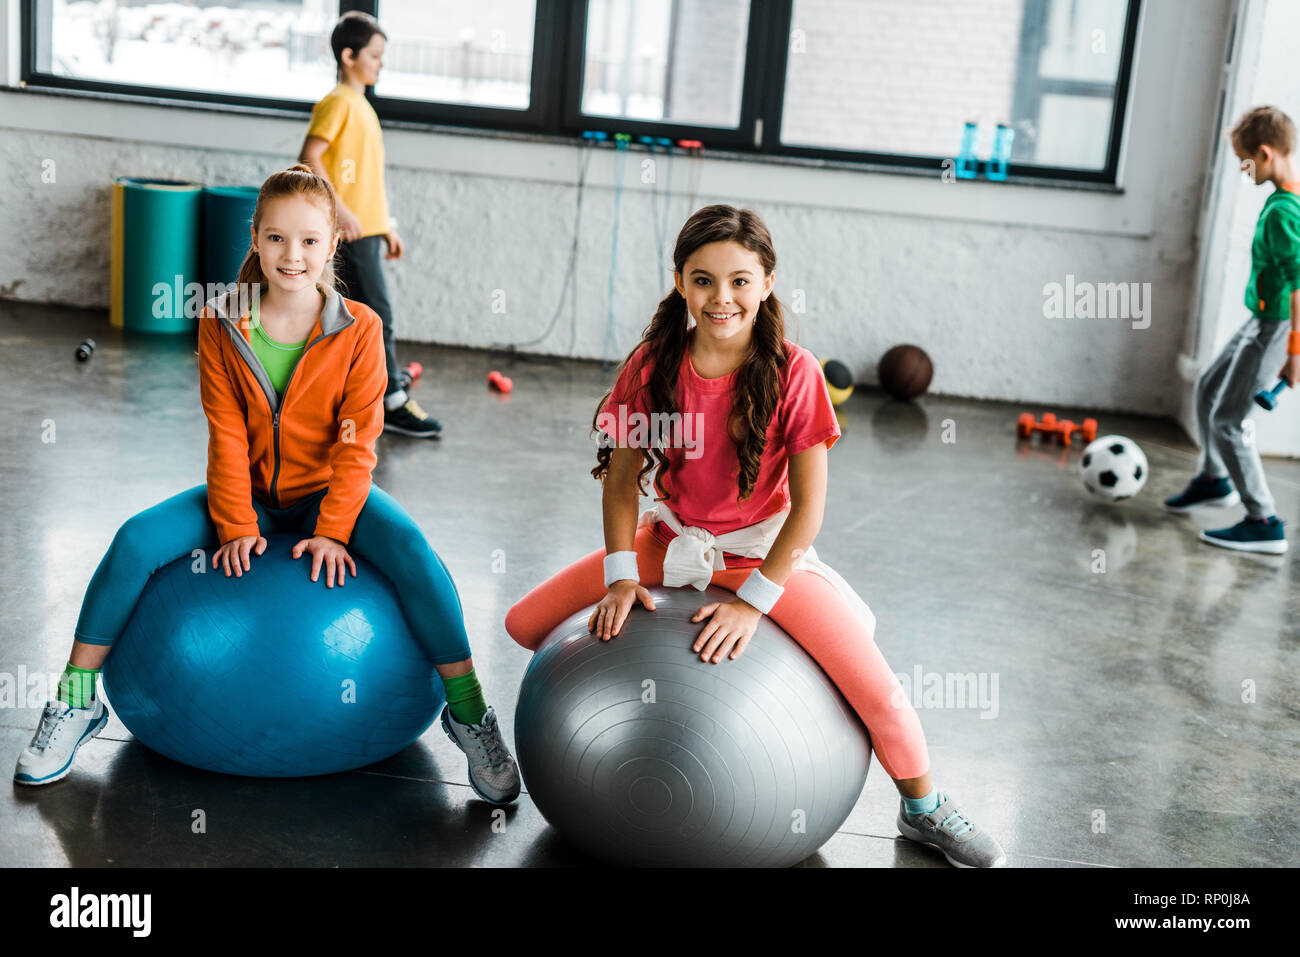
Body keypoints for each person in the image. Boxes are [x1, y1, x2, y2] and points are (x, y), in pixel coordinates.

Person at [505, 204, 1006, 867]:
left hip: (759, 555)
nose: (722, 297)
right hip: (672, 540)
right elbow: (621, 480)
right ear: (680, 282)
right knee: (521, 620)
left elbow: (808, 512)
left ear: (768, 282)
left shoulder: (796, 374)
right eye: (704, 279)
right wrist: (622, 574)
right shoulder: (652, 366)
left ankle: (923, 807)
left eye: (741, 279)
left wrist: (752, 603)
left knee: (879, 690)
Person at [14, 166, 519, 805]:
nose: (293, 255)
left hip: (331, 492)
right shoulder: (224, 321)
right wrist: (237, 527)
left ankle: (471, 716)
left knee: (415, 552)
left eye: (309, 240)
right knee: (135, 541)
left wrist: (335, 531)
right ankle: (76, 704)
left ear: (334, 243)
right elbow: (225, 435)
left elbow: (358, 444)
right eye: (277, 238)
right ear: (255, 237)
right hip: (247, 494)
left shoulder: (361, 330)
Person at [298, 10, 441, 438]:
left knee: (357, 316)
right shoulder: (338, 102)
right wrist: (338, 209)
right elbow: (311, 154)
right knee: (378, 314)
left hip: (368, 230)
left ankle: (357, 394)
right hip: (350, 232)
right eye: (374, 55)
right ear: (348, 55)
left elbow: (367, 179)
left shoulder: (361, 106)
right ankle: (392, 400)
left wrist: (386, 226)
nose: (380, 63)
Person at [1165, 105, 1300, 554]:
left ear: (1265, 153)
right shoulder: (1286, 198)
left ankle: (1263, 520)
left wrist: (1294, 354)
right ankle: (1213, 478)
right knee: (1207, 388)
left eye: (1245, 161)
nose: (1244, 170)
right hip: (1261, 319)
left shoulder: (1284, 211)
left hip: (1276, 328)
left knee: (1229, 420)